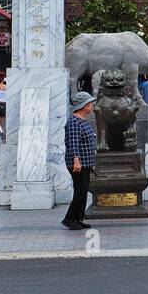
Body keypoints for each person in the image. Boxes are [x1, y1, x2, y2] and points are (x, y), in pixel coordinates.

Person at [62, 91, 98, 230]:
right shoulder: (73, 122)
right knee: (80, 191)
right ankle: (69, 219)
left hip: (86, 163)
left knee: (83, 190)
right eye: (90, 104)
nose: (92, 106)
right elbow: (73, 143)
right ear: (83, 106)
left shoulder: (82, 121)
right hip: (78, 164)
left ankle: (78, 218)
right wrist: (76, 160)